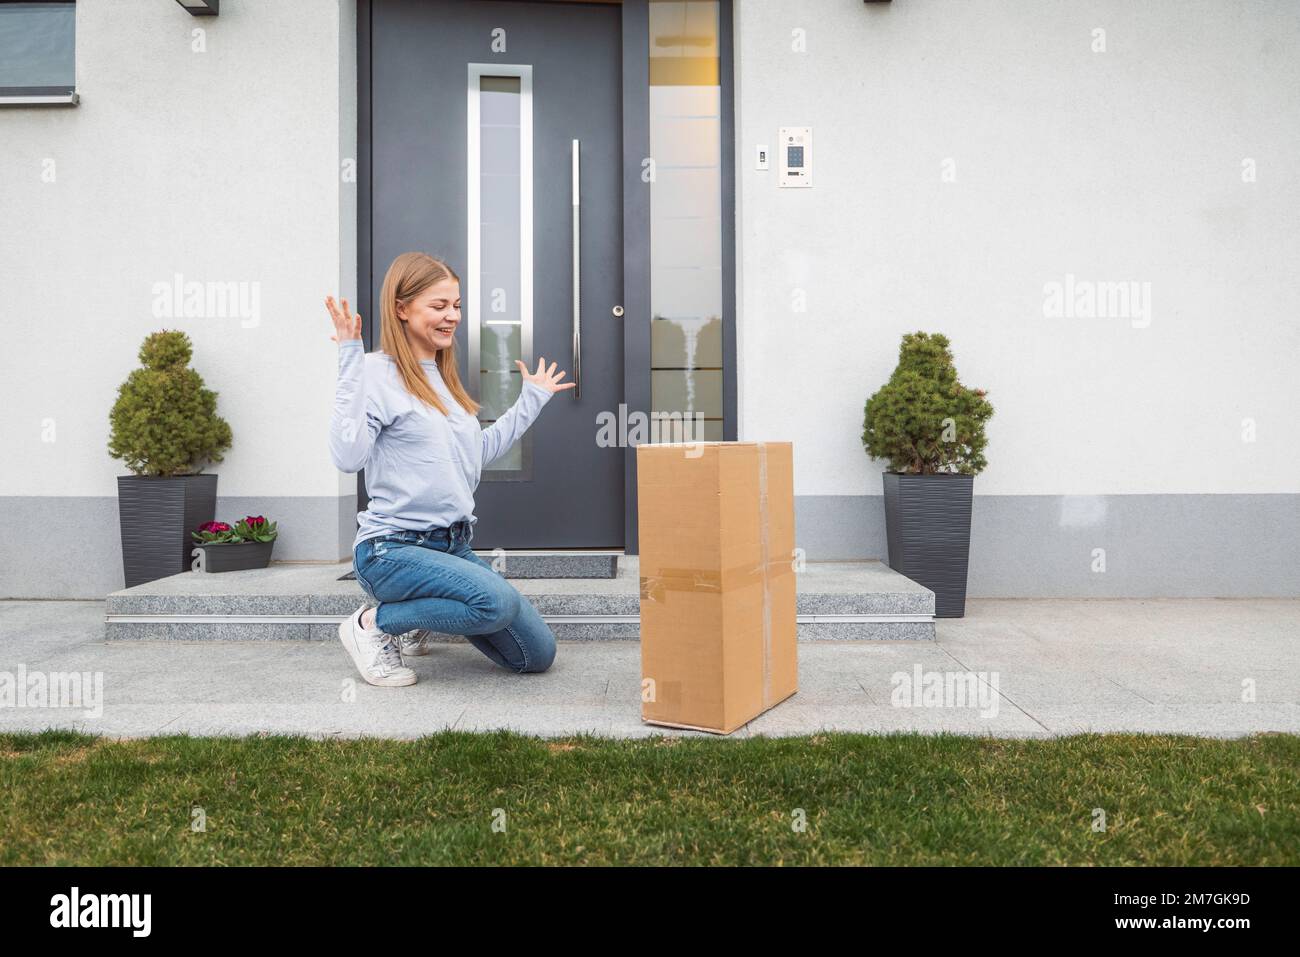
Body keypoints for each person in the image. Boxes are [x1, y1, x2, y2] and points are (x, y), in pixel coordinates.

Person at [326, 251, 574, 687]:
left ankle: (424, 608)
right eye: (438, 306)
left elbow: (476, 454)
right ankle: (375, 625)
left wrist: (530, 399)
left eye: (456, 306)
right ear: (402, 309)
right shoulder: (375, 372)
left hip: (451, 546)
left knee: (535, 655)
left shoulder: (443, 378)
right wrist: (349, 357)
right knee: (494, 603)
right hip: (392, 549)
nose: (452, 316)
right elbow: (348, 457)